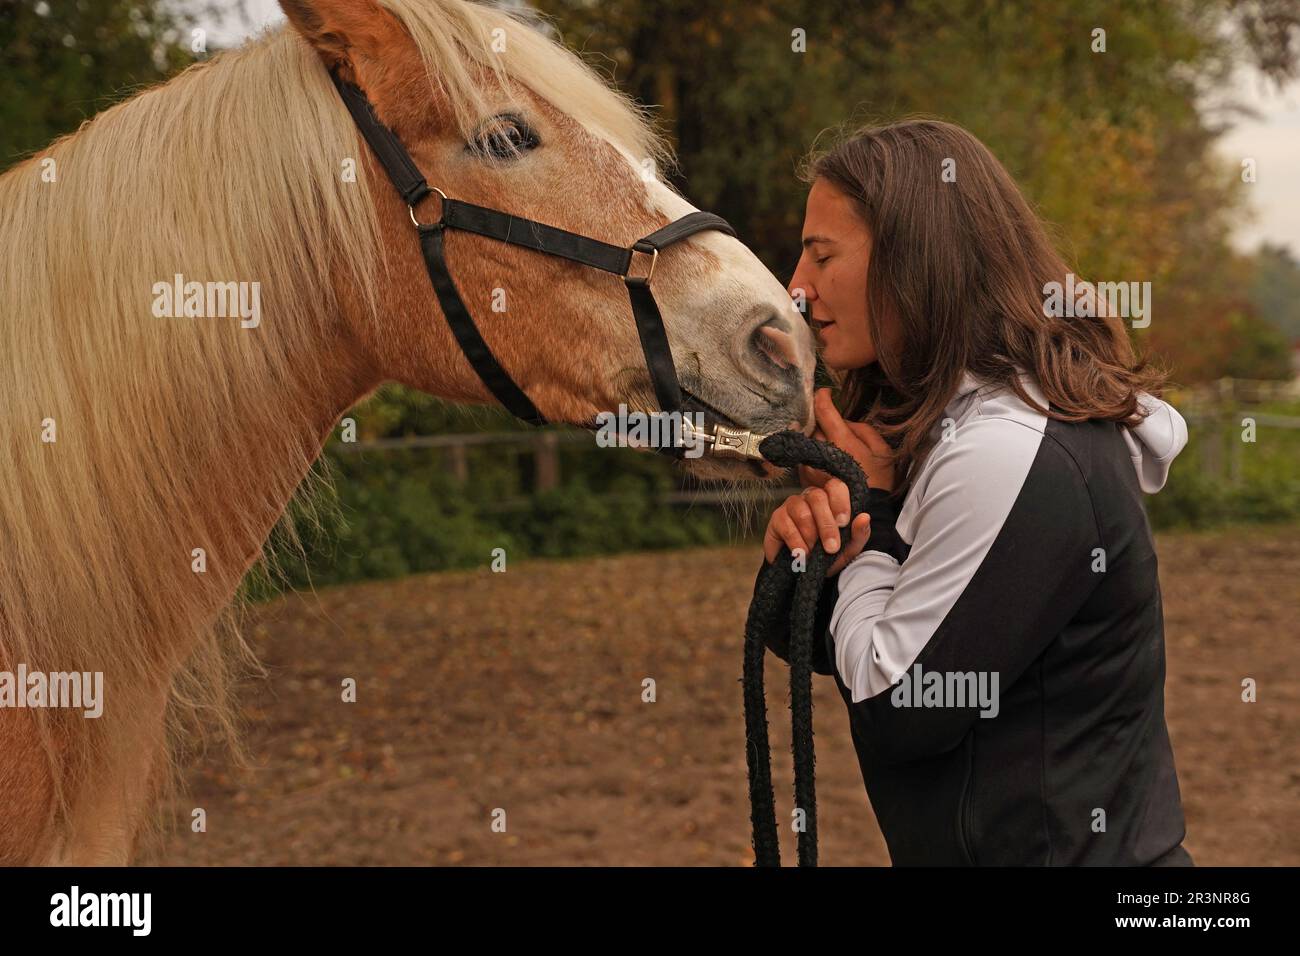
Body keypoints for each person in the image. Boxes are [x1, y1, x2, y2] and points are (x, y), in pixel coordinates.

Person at [762, 119, 1193, 866]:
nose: (796, 289)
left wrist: (872, 521)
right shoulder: (945, 423)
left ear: (914, 259)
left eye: (822, 256)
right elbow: (815, 640)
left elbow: (897, 704)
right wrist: (813, 545)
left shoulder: (1007, 449)